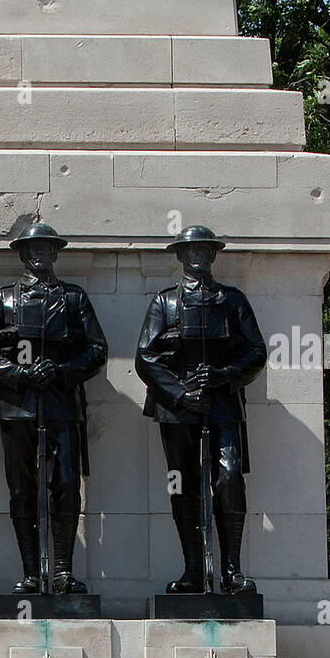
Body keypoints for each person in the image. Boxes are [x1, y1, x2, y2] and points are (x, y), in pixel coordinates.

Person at [0, 223, 108, 593]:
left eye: (46, 249)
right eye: (32, 249)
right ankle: (31, 572)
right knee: (22, 488)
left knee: (65, 483)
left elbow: (97, 349)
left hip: (61, 403)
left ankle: (62, 570)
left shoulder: (74, 298)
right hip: (17, 405)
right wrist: (20, 373)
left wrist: (62, 371)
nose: (39, 255)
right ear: (22, 254)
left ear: (55, 253)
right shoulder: (3, 299)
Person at [134, 225, 266, 594]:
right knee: (183, 486)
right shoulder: (165, 303)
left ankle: (231, 571)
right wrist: (180, 394)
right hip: (177, 408)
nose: (198, 257)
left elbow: (256, 352)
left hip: (222, 403)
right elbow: (146, 357)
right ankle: (194, 569)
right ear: (180, 255)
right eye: (191, 250)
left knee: (228, 478)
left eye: (204, 250)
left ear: (212, 256)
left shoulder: (232, 300)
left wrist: (225, 375)